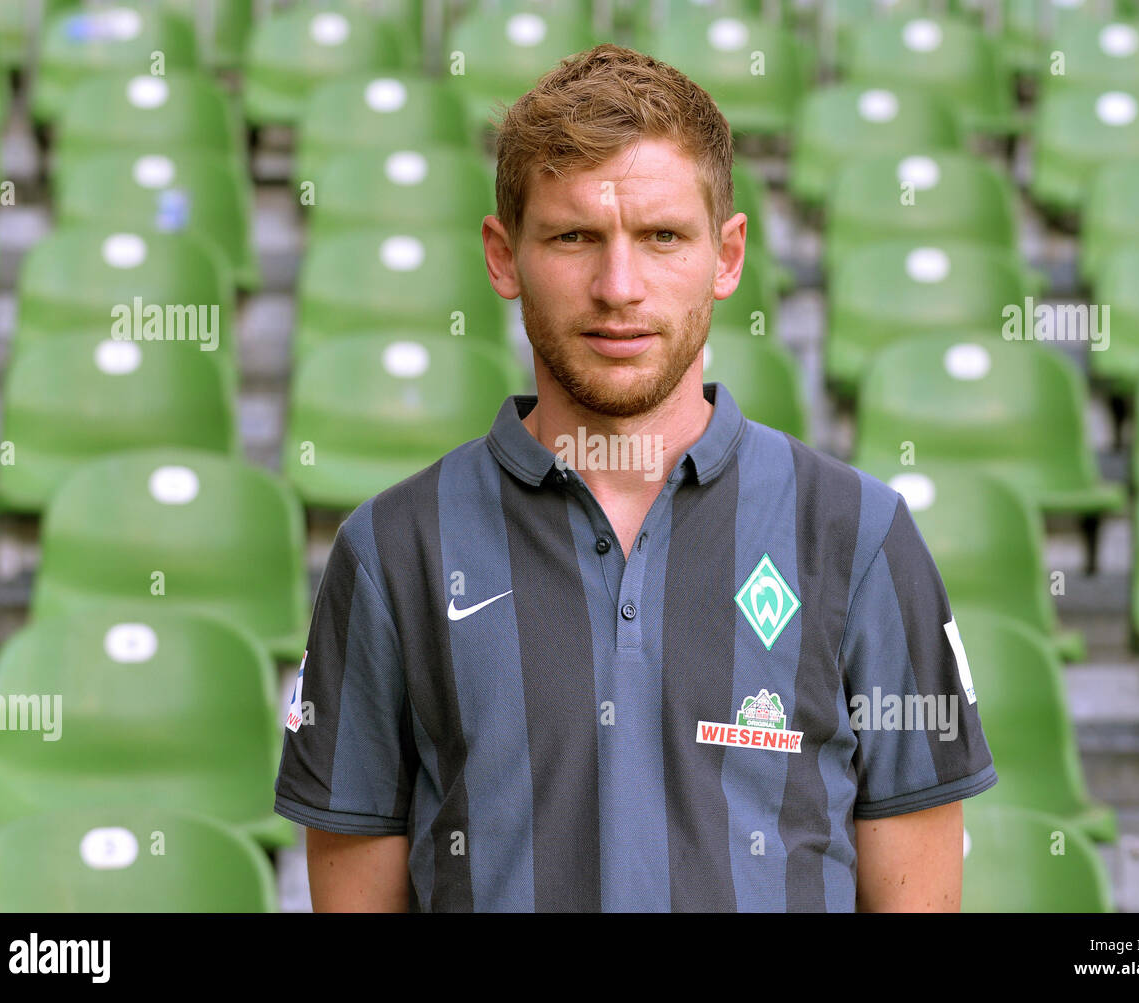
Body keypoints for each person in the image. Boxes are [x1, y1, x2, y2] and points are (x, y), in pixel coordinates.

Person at [274, 42, 996, 912]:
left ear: (727, 256)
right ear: (503, 258)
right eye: (574, 236)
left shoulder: (859, 535)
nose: (619, 286)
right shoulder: (394, 551)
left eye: (661, 237)